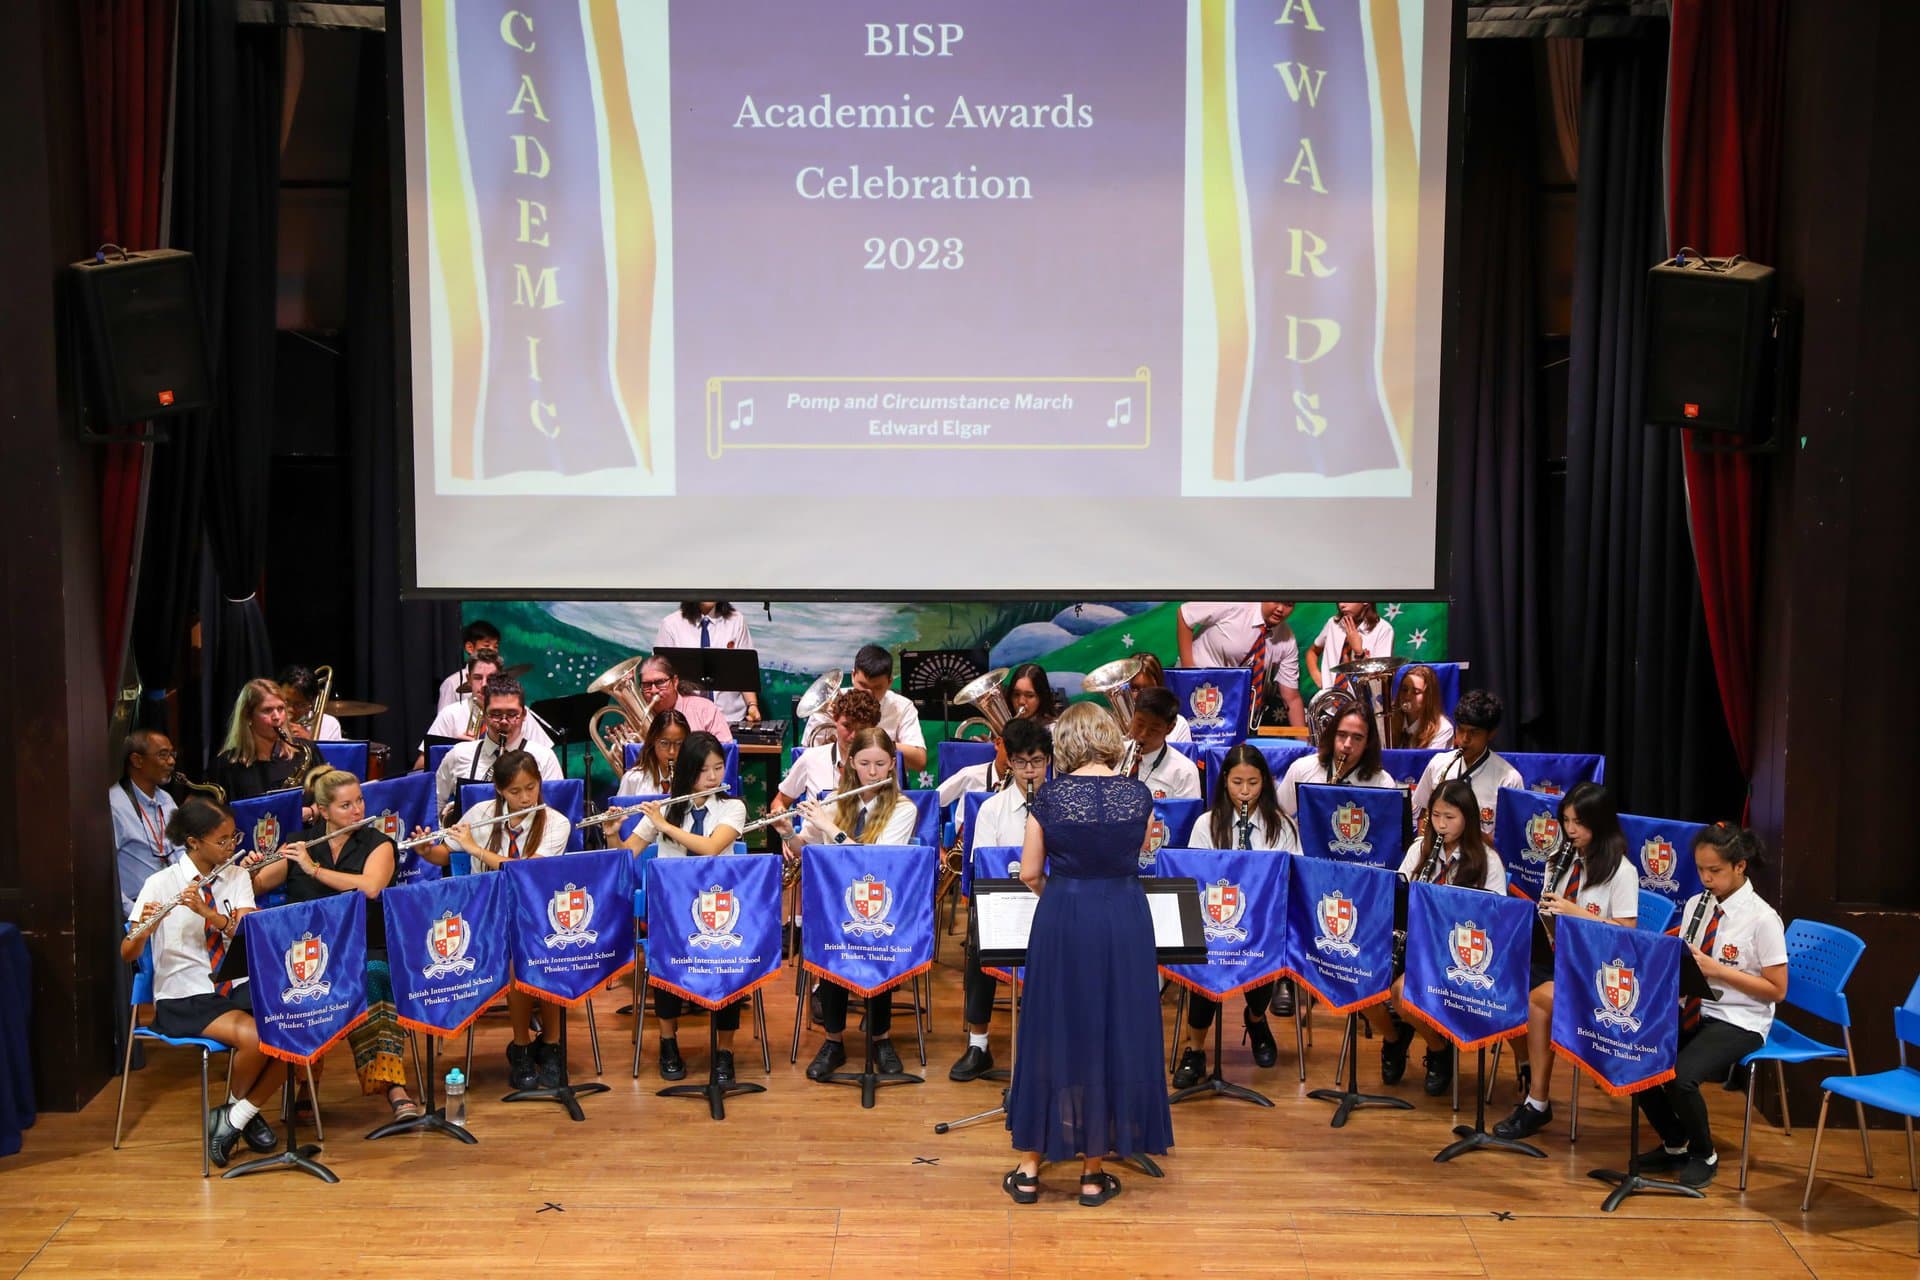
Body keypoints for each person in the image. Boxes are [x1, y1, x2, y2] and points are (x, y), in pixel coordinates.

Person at [1003, 703, 1172, 1207]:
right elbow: (1141, 853)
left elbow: (1031, 871)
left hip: (1064, 913)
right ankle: (1093, 1174)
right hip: (1123, 914)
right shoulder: (1137, 794)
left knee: (1052, 1029)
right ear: (1107, 737)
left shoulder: (1050, 797)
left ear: (1067, 744)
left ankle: (1030, 1169)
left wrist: (1059, 896)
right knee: (1112, 1029)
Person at [124, 795, 283, 1167]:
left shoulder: (237, 876)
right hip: (186, 993)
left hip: (235, 985)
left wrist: (210, 914)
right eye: (223, 840)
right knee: (257, 1038)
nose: (233, 846)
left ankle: (232, 1117)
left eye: (234, 836)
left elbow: (247, 933)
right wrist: (146, 931)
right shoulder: (160, 883)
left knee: (293, 1029)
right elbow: (127, 954)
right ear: (194, 842)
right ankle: (242, 1116)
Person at [249, 769, 417, 1120]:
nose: (357, 810)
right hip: (308, 954)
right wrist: (251, 870)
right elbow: (259, 886)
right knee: (299, 989)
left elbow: (370, 888)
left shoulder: (379, 844)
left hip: (363, 949)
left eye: (359, 801)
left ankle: (393, 1084)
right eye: (345, 805)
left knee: (373, 976)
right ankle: (304, 1080)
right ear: (323, 811)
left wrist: (314, 871)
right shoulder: (301, 844)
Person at [1633, 824, 1788, 1189]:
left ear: (1740, 866)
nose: (1705, 878)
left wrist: (1719, 971)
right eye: (1701, 869)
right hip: (1696, 1008)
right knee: (1637, 1055)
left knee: (1683, 1077)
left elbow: (1777, 990)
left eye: (1715, 871)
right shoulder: (1695, 905)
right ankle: (1674, 1142)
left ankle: (1705, 1153)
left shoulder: (1762, 919)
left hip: (1740, 1016)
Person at [412, 750, 574, 1089]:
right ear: (499, 789)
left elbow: (525, 873)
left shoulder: (556, 822)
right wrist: (427, 851)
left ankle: (552, 1045)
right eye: (515, 791)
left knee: (541, 955)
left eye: (531, 787)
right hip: (486, 914)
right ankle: (522, 1047)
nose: (526, 797)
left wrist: (475, 848)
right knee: (518, 958)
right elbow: (445, 852)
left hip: (538, 912)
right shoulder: (481, 814)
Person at [1493, 781, 1639, 1142]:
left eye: (1579, 822)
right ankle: (1528, 1069)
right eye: (1566, 821)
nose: (1570, 830)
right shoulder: (1561, 861)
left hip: (1600, 972)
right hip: (1558, 957)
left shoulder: (1622, 871)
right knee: (1500, 981)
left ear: (1601, 823)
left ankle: (1537, 1102)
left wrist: (1574, 914)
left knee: (1539, 1001)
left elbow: (1626, 936)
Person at [607, 733, 750, 1083]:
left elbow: (711, 848)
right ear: (687, 772)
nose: (714, 777)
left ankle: (725, 1051)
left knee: (727, 969)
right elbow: (626, 857)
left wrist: (665, 826)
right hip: (671, 909)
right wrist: (612, 833)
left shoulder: (733, 807)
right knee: (666, 964)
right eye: (704, 771)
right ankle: (668, 1043)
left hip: (718, 907)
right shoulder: (665, 809)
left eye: (719, 768)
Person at [1362, 779, 1509, 1096]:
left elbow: (1496, 922)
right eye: (1436, 816)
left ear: (1468, 819)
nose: (1441, 825)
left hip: (1457, 956)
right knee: (1357, 977)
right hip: (1414, 944)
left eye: (1450, 817)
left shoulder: (1487, 860)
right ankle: (1393, 1038)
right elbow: (1396, 896)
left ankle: (1439, 1048)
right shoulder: (1420, 849)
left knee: (1403, 993)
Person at [1171, 744, 1300, 1085]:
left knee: (1263, 962)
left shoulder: (1282, 826)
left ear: (1265, 783)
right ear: (1224, 780)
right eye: (1237, 782)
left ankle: (1256, 1020)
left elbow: (1292, 876)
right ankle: (1195, 1050)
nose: (1245, 792)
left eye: (1253, 783)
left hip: (1261, 927)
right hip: (1213, 925)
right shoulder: (1206, 824)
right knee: (1203, 966)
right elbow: (1194, 878)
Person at [797, 727, 919, 1082]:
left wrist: (828, 828)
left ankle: (881, 1039)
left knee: (877, 950)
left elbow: (875, 864)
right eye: (865, 763)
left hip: (882, 904)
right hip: (836, 902)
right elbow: (806, 849)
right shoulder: (834, 800)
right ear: (851, 763)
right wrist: (790, 835)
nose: (873, 772)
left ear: (892, 766)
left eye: (881, 764)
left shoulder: (903, 808)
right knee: (833, 944)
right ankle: (833, 1041)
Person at [949, 715, 1053, 1082]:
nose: (1030, 770)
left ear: (1048, 761)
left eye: (1037, 761)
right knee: (978, 943)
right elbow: (983, 868)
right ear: (1008, 761)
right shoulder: (991, 809)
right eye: (1022, 761)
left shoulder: (1060, 807)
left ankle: (1049, 1045)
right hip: (1004, 908)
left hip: (1050, 909)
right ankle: (978, 1044)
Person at [433, 677, 562, 814]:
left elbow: (556, 813)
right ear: (484, 715)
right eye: (496, 714)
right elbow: (434, 803)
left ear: (524, 715)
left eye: (512, 714)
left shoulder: (544, 757)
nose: (504, 722)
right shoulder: (459, 754)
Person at [1410, 690, 1525, 837]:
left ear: (1491, 734)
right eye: (1461, 730)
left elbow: (1511, 837)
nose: (1464, 739)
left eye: (1474, 733)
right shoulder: (1438, 763)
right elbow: (1424, 815)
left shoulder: (1509, 779)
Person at [1176, 600, 1306, 729]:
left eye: (1288, 605)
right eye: (1276, 602)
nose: (1280, 609)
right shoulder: (1235, 605)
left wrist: (1306, 746)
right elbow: (1185, 614)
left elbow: (1291, 697)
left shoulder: (1287, 640)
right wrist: (1189, 672)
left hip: (1228, 705)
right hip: (1195, 692)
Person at [801, 645, 927, 771]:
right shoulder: (830, 703)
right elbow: (806, 757)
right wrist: (830, 749)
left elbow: (919, 762)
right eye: (863, 685)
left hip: (885, 786)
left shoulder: (902, 707)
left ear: (889, 682)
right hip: (831, 783)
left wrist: (877, 741)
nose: (868, 693)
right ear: (853, 675)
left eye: (877, 688)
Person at [769, 689, 881, 816]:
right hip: (815, 834)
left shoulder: (882, 765)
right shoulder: (811, 758)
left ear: (874, 728)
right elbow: (779, 801)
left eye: (862, 729)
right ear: (835, 720)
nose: (853, 736)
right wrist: (779, 812)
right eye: (847, 726)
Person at [1275, 704, 1397, 818]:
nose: (1347, 744)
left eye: (1357, 738)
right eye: (1342, 735)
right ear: (1332, 735)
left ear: (1368, 743)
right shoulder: (1301, 769)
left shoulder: (1384, 783)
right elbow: (1277, 818)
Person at [655, 601, 762, 725]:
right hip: (686, 719)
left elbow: (744, 671)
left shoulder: (736, 621)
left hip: (731, 718)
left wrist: (752, 705)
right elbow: (660, 673)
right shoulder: (670, 624)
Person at [112, 728, 179, 916]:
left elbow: (180, 849)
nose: (172, 761)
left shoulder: (166, 799)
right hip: (141, 911)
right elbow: (106, 875)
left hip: (175, 905)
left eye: (172, 754)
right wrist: (134, 913)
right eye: (163, 755)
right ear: (137, 760)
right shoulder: (114, 805)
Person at [211, 678, 311, 801]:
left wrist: (311, 812)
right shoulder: (226, 765)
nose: (277, 717)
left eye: (280, 709)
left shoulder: (304, 751)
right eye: (267, 710)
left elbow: (330, 798)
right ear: (248, 716)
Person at [414, 653, 509, 768]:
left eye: (491, 678)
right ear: (469, 680)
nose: (484, 684)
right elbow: (420, 767)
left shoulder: (518, 716)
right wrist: (453, 751)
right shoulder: (450, 714)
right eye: (478, 678)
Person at [636, 655, 734, 744]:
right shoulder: (639, 718)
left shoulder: (704, 709)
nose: (653, 690)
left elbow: (725, 748)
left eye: (660, 682)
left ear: (675, 682)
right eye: (647, 685)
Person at [1126, 687, 1201, 799]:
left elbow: (1187, 815)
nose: (1143, 734)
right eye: (1139, 725)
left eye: (1154, 730)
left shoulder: (1184, 772)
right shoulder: (1114, 755)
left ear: (1170, 728)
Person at [1305, 602, 1396, 692]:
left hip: (1362, 703)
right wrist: (1318, 677)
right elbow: (1312, 652)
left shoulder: (1383, 630)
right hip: (1331, 701)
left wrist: (1359, 652)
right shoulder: (1333, 624)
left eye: (1348, 599)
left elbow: (1379, 679)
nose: (1341, 605)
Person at [616, 708, 690, 796]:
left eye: (679, 744)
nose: (672, 751)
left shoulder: (694, 779)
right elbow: (622, 807)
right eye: (664, 743)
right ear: (653, 741)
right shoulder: (633, 779)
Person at [436, 620, 502, 710]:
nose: (492, 651)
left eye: (495, 647)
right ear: (470, 648)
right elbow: (444, 719)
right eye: (487, 645)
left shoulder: (502, 680)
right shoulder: (452, 683)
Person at [1128, 653, 1192, 744]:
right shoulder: (1112, 723)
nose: (1141, 696)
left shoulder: (1179, 725)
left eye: (1148, 689)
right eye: (1134, 688)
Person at [1395, 664, 1454, 749]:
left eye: (1416, 692)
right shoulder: (1389, 722)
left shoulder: (1443, 729)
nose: (1407, 697)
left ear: (1429, 697)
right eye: (1404, 690)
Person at [279, 665, 342, 741]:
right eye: (285, 701)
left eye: (298, 704)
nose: (290, 709)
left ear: (311, 702)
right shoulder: (269, 719)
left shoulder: (329, 724)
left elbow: (331, 753)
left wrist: (310, 741)